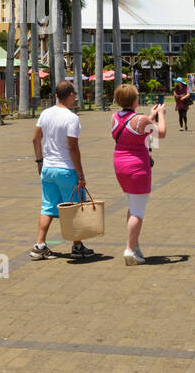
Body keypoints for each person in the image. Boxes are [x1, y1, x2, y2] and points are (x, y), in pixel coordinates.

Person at [30, 79, 95, 260]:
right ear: (71, 95)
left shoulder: (45, 113)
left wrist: (39, 161)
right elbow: (73, 148)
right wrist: (81, 174)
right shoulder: (71, 118)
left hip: (48, 169)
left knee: (47, 206)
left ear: (56, 96)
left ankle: (40, 245)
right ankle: (77, 245)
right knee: (73, 207)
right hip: (66, 169)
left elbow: (36, 139)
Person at [110, 84, 166, 265]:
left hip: (120, 165)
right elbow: (161, 134)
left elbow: (134, 128)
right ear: (134, 100)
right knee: (138, 212)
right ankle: (129, 249)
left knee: (133, 205)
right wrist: (161, 115)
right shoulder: (140, 119)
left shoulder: (115, 117)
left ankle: (134, 244)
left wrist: (150, 116)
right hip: (137, 167)